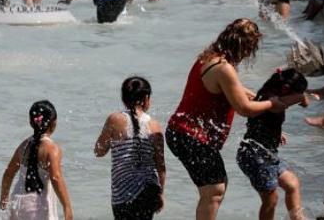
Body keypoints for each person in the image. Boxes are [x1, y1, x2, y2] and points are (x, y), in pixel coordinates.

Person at [166, 19, 298, 220]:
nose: (248, 55)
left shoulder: (209, 58)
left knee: (215, 188)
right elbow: (244, 109)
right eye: (249, 49)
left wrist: (268, 118)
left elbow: (237, 90)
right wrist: (273, 104)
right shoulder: (223, 68)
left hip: (181, 132)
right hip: (189, 135)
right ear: (243, 46)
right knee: (214, 190)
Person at [236, 69, 311, 220]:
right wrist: (302, 96)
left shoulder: (269, 94)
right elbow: (285, 104)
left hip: (266, 153)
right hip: (253, 154)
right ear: (285, 89)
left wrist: (277, 133)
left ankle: (297, 218)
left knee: (292, 184)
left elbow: (264, 121)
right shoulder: (271, 100)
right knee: (271, 199)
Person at [94, 76, 166, 219]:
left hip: (123, 192)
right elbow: (161, 166)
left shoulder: (114, 119)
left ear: (124, 99)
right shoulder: (155, 126)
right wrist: (161, 193)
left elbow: (99, 151)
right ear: (146, 98)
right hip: (149, 191)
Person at [0, 100, 73, 220]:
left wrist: (4, 196)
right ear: (53, 124)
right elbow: (56, 177)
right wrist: (67, 207)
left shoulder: (23, 145)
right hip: (38, 205)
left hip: (17, 202)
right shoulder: (52, 149)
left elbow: (9, 172)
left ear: (31, 123)